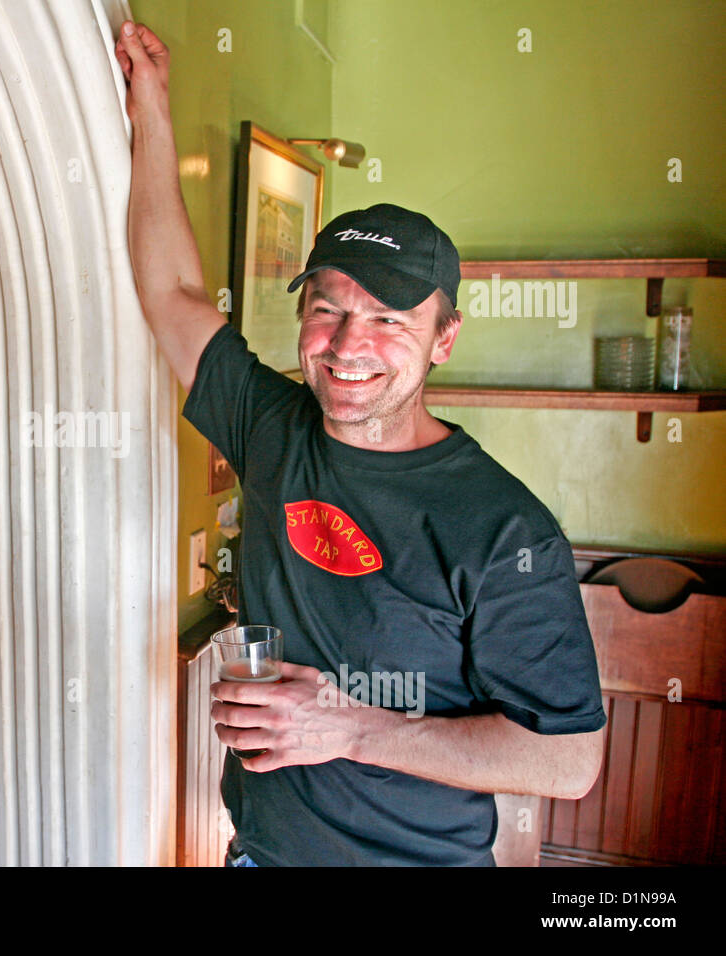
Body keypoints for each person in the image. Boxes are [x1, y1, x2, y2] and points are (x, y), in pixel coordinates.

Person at [115, 21, 606, 866]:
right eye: (329, 309)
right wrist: (152, 107)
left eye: (388, 319)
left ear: (444, 338)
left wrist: (345, 727)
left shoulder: (505, 530)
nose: (348, 345)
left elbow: (566, 759)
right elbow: (171, 292)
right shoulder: (272, 427)